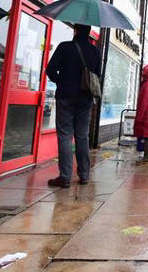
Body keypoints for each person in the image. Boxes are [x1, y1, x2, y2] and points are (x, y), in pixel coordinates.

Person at [45, 23, 101, 187]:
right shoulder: (95, 52)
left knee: (65, 135)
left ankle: (65, 177)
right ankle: (84, 175)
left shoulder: (64, 47)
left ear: (75, 31)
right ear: (89, 32)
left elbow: (50, 70)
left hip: (65, 96)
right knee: (82, 135)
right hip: (86, 98)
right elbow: (97, 76)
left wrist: (61, 81)